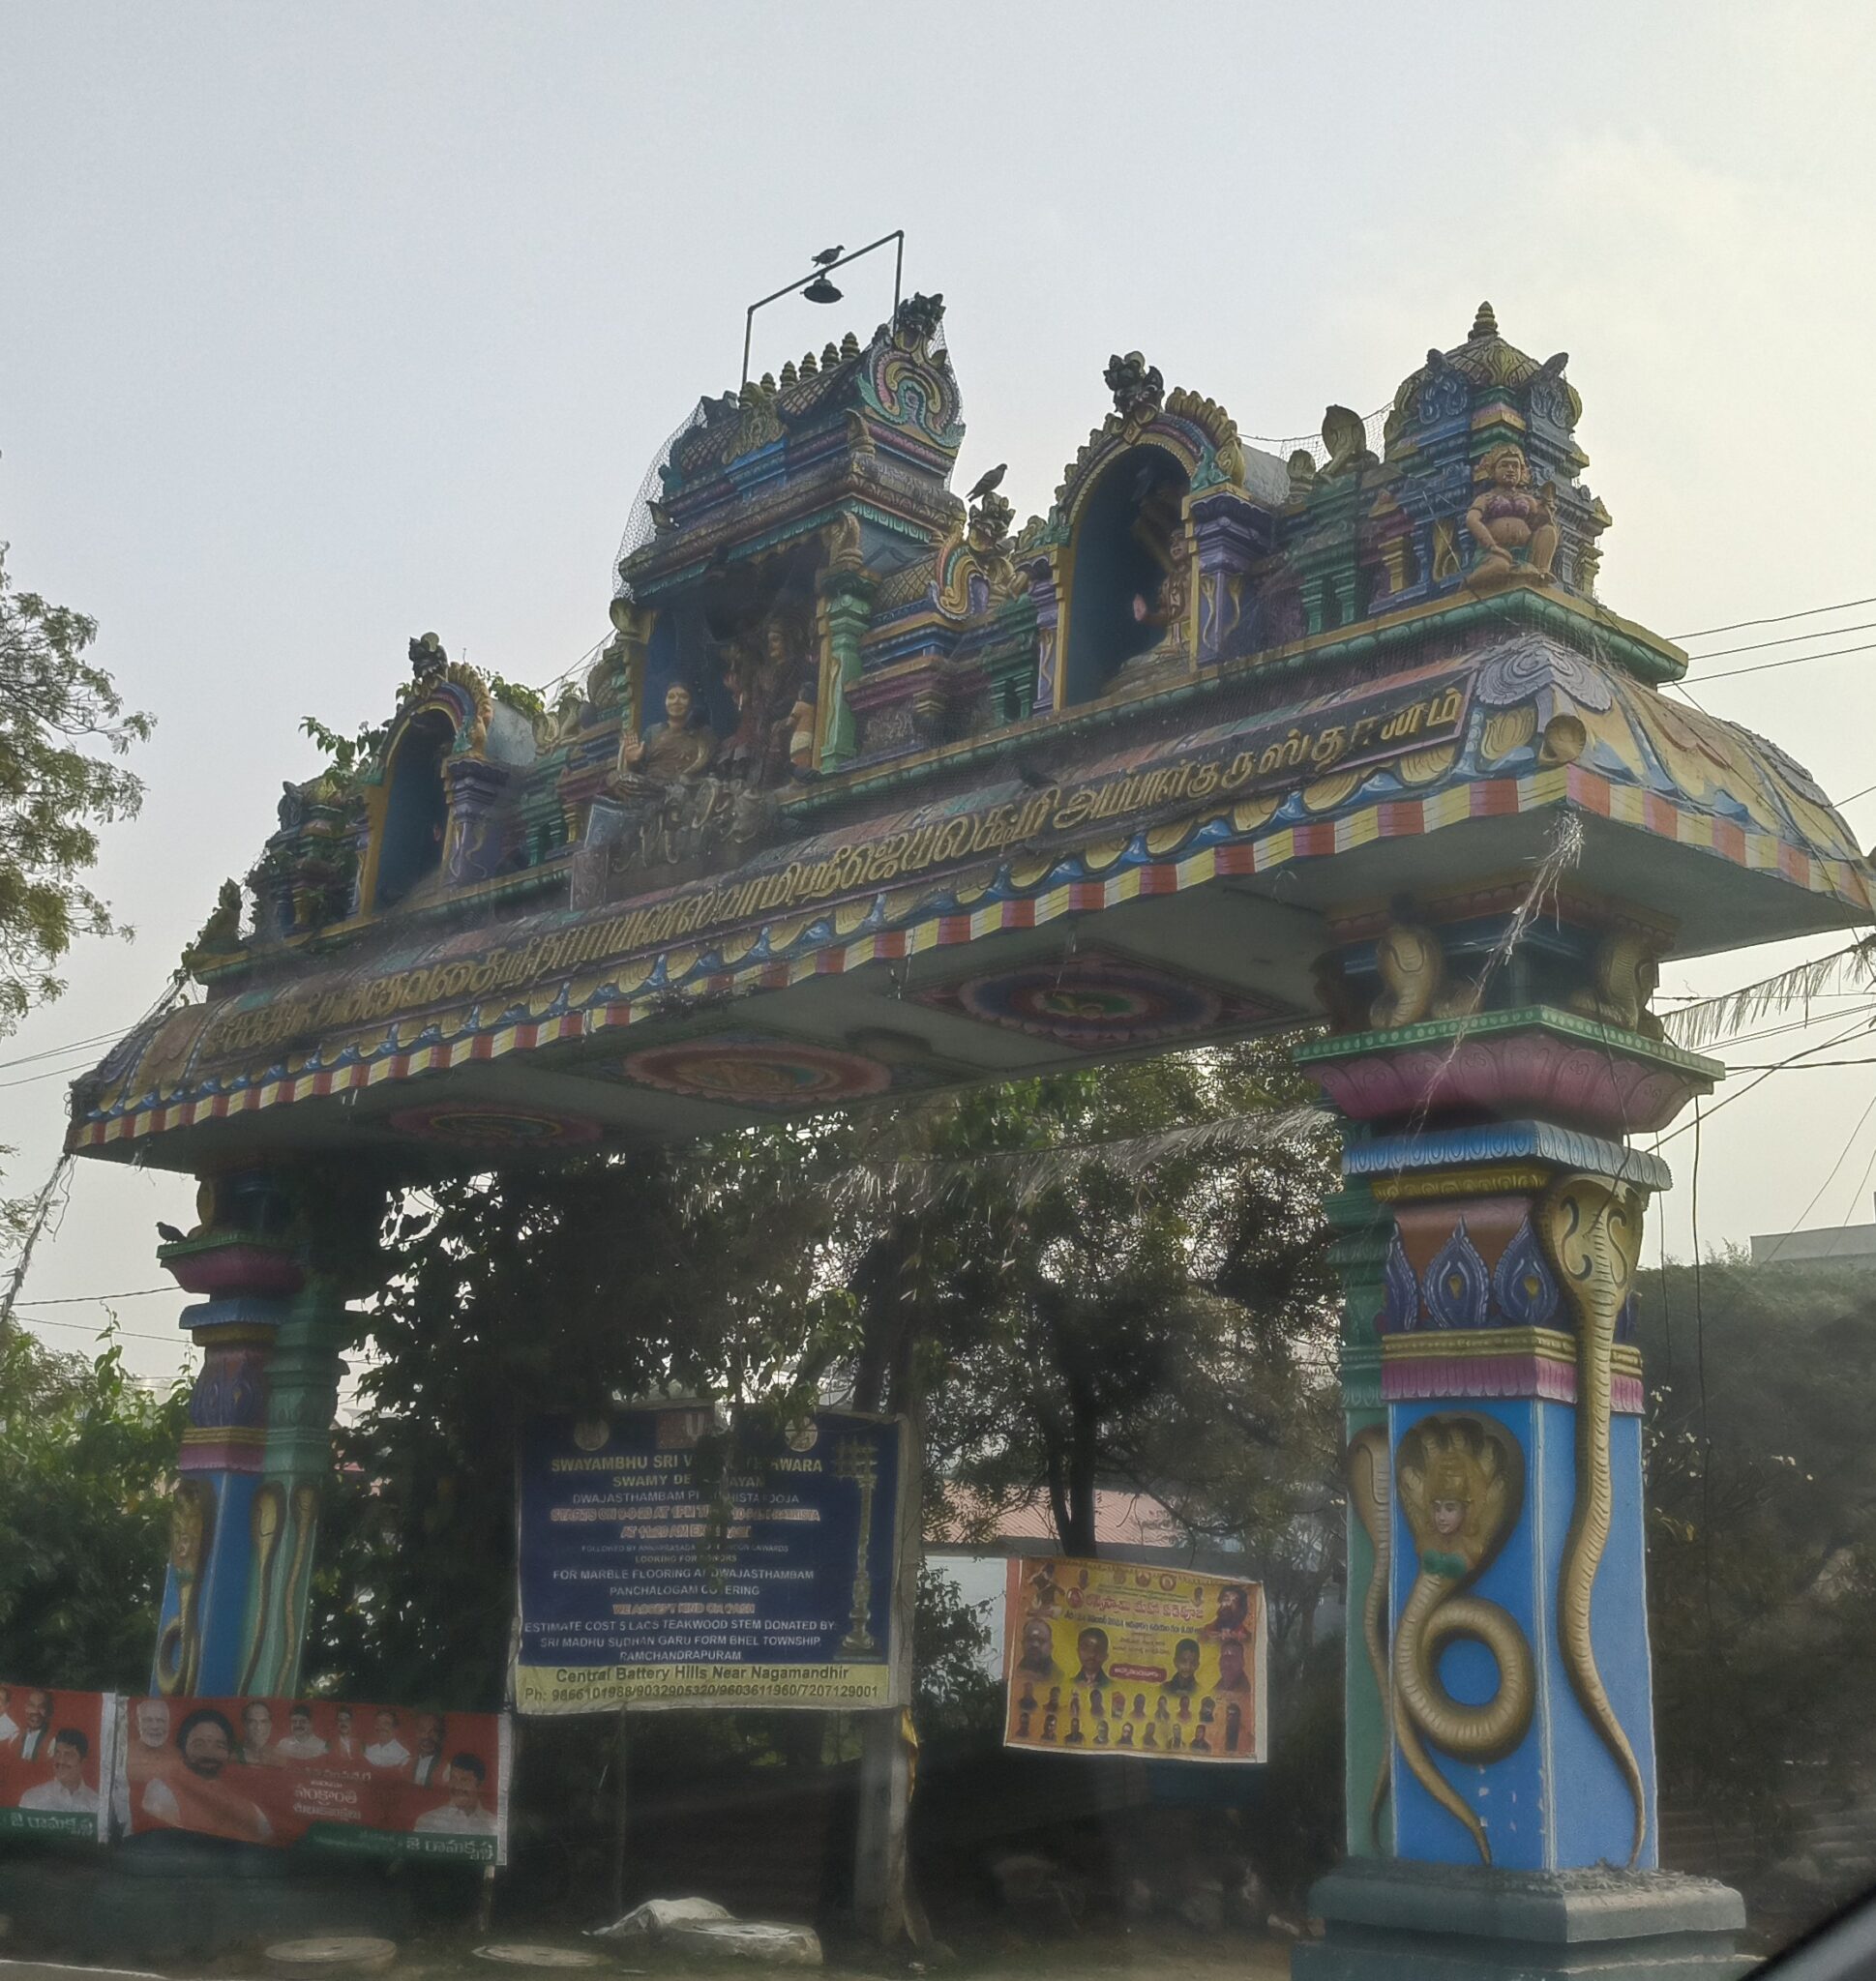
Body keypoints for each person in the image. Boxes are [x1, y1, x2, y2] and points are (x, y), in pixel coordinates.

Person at [141, 1709, 272, 1843]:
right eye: (199, 1745)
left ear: (228, 1753)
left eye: (219, 1746)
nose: (209, 1753)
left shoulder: (251, 1810)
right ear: (182, 1750)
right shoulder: (162, 1790)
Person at [413, 1753, 496, 1836]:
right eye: (453, 1779)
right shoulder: (428, 1821)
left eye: (464, 1780)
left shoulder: (494, 1824)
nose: (457, 1786)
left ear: (479, 1785)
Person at [19, 1729, 98, 1814]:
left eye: (68, 1754)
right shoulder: (33, 1798)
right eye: (57, 1753)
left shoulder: (96, 1804)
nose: (61, 1760)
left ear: (83, 1763)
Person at [1014, 1617, 1061, 1686]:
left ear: (1050, 1646)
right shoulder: (1016, 1673)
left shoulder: (1057, 1677)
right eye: (1030, 1639)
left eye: (1041, 1640)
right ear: (1022, 1643)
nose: (1035, 1645)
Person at [410, 1713, 447, 1787]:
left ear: (441, 1736)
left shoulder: (446, 1767)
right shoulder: (406, 1762)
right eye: (422, 1730)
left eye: (434, 1731)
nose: (427, 1736)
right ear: (415, 1733)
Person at [239, 1700, 279, 1766]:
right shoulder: (232, 1754)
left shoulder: (279, 1756)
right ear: (244, 1725)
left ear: (270, 1725)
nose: (258, 1727)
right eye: (252, 1721)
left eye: (264, 1721)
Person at [16, 1691, 52, 1761]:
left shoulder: (51, 1740)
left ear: (48, 1711)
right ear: (25, 1708)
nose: (36, 1711)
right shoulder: (16, 1735)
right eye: (32, 1705)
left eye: (41, 1707)